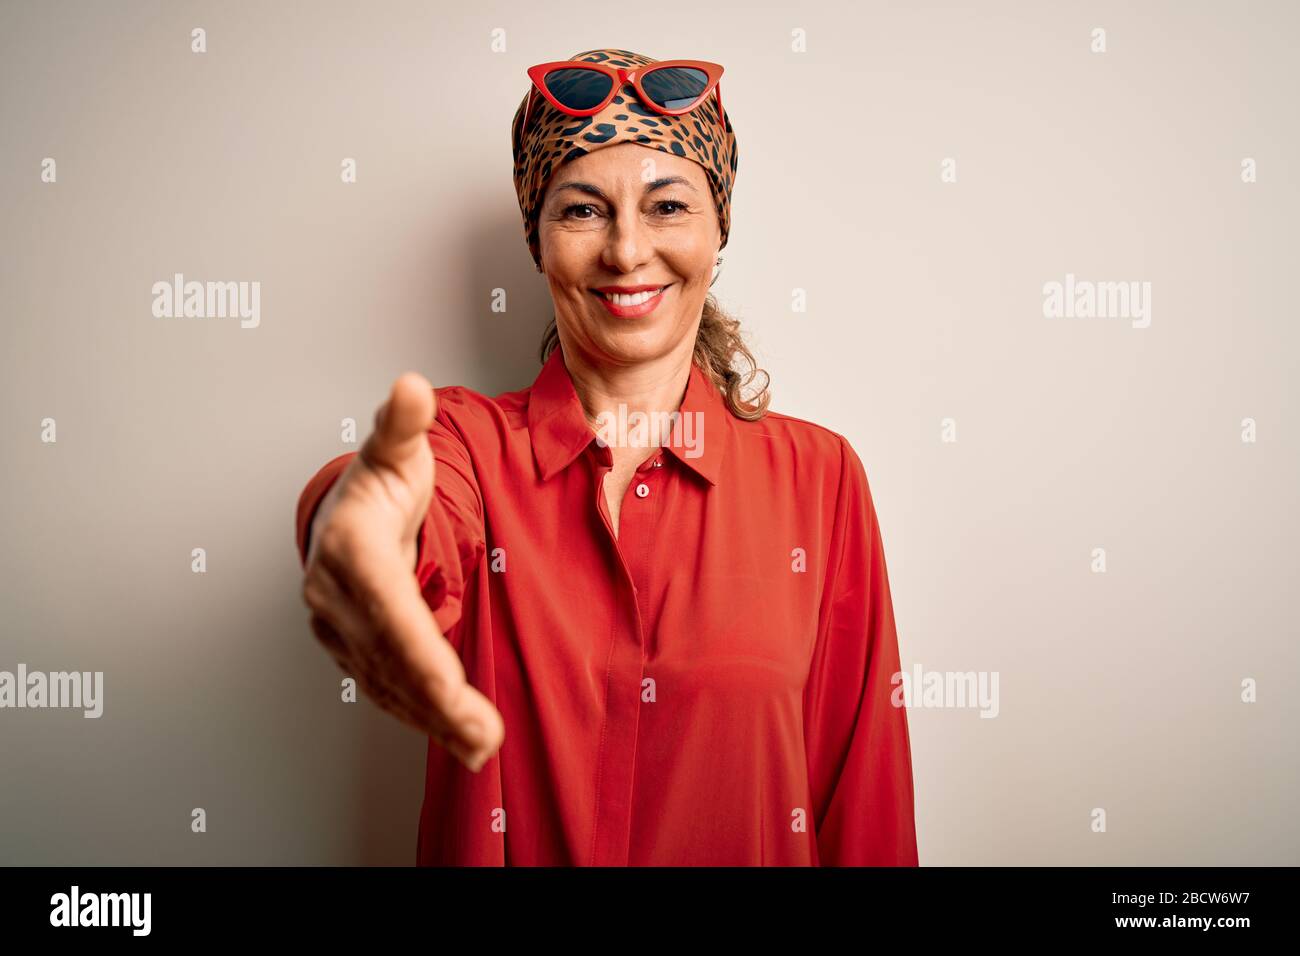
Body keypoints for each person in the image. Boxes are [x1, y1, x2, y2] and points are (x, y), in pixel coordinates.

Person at [295, 48, 918, 866]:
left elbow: (863, 810)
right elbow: (395, 509)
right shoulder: (466, 449)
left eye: (667, 207)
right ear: (538, 240)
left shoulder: (822, 481)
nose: (627, 252)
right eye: (583, 211)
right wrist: (356, 525)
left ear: (717, 227)